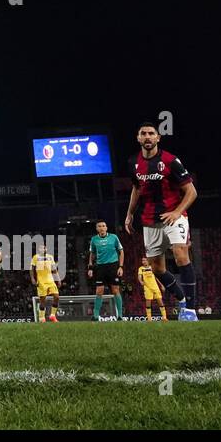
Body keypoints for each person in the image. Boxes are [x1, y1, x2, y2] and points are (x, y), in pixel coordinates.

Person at [123, 123, 198, 320]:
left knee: (181, 254)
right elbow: (137, 189)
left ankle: (190, 310)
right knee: (157, 268)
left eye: (151, 134)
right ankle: (182, 299)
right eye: (143, 134)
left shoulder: (171, 160)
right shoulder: (133, 163)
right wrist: (129, 214)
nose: (147, 137)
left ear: (158, 138)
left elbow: (191, 192)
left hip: (174, 215)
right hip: (149, 220)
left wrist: (177, 212)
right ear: (138, 138)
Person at [87, 220, 124, 320]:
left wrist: (120, 267)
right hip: (100, 267)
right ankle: (95, 316)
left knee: (115, 290)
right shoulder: (94, 239)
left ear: (106, 228)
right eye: (99, 226)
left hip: (113, 266)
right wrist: (90, 267)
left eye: (103, 226)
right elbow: (92, 254)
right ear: (97, 229)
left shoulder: (113, 237)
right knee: (99, 291)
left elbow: (121, 251)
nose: (102, 228)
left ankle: (120, 315)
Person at [31, 241, 60, 322]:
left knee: (57, 297)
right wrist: (33, 278)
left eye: (44, 248)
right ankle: (42, 318)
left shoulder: (50, 257)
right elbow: (32, 269)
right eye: (40, 248)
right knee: (43, 299)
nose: (42, 249)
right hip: (41, 281)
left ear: (46, 249)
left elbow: (54, 269)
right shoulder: (35, 257)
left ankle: (52, 315)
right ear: (38, 250)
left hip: (50, 280)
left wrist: (58, 279)